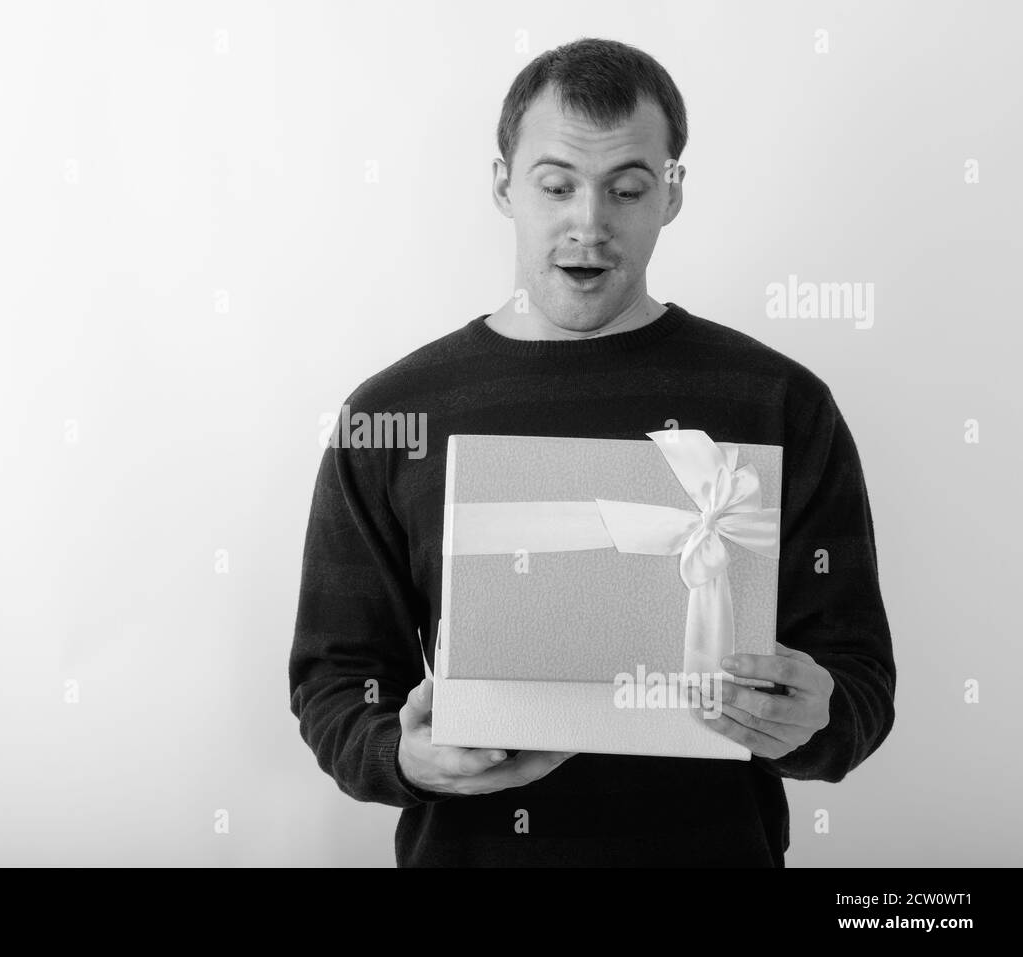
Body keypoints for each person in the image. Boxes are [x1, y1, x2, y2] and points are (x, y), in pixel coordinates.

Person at [287, 37, 896, 866]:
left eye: (627, 189)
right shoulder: (393, 415)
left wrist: (815, 720)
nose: (589, 223)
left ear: (671, 195)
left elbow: (859, 682)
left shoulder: (780, 404)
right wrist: (401, 753)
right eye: (557, 184)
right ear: (503, 183)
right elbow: (335, 678)